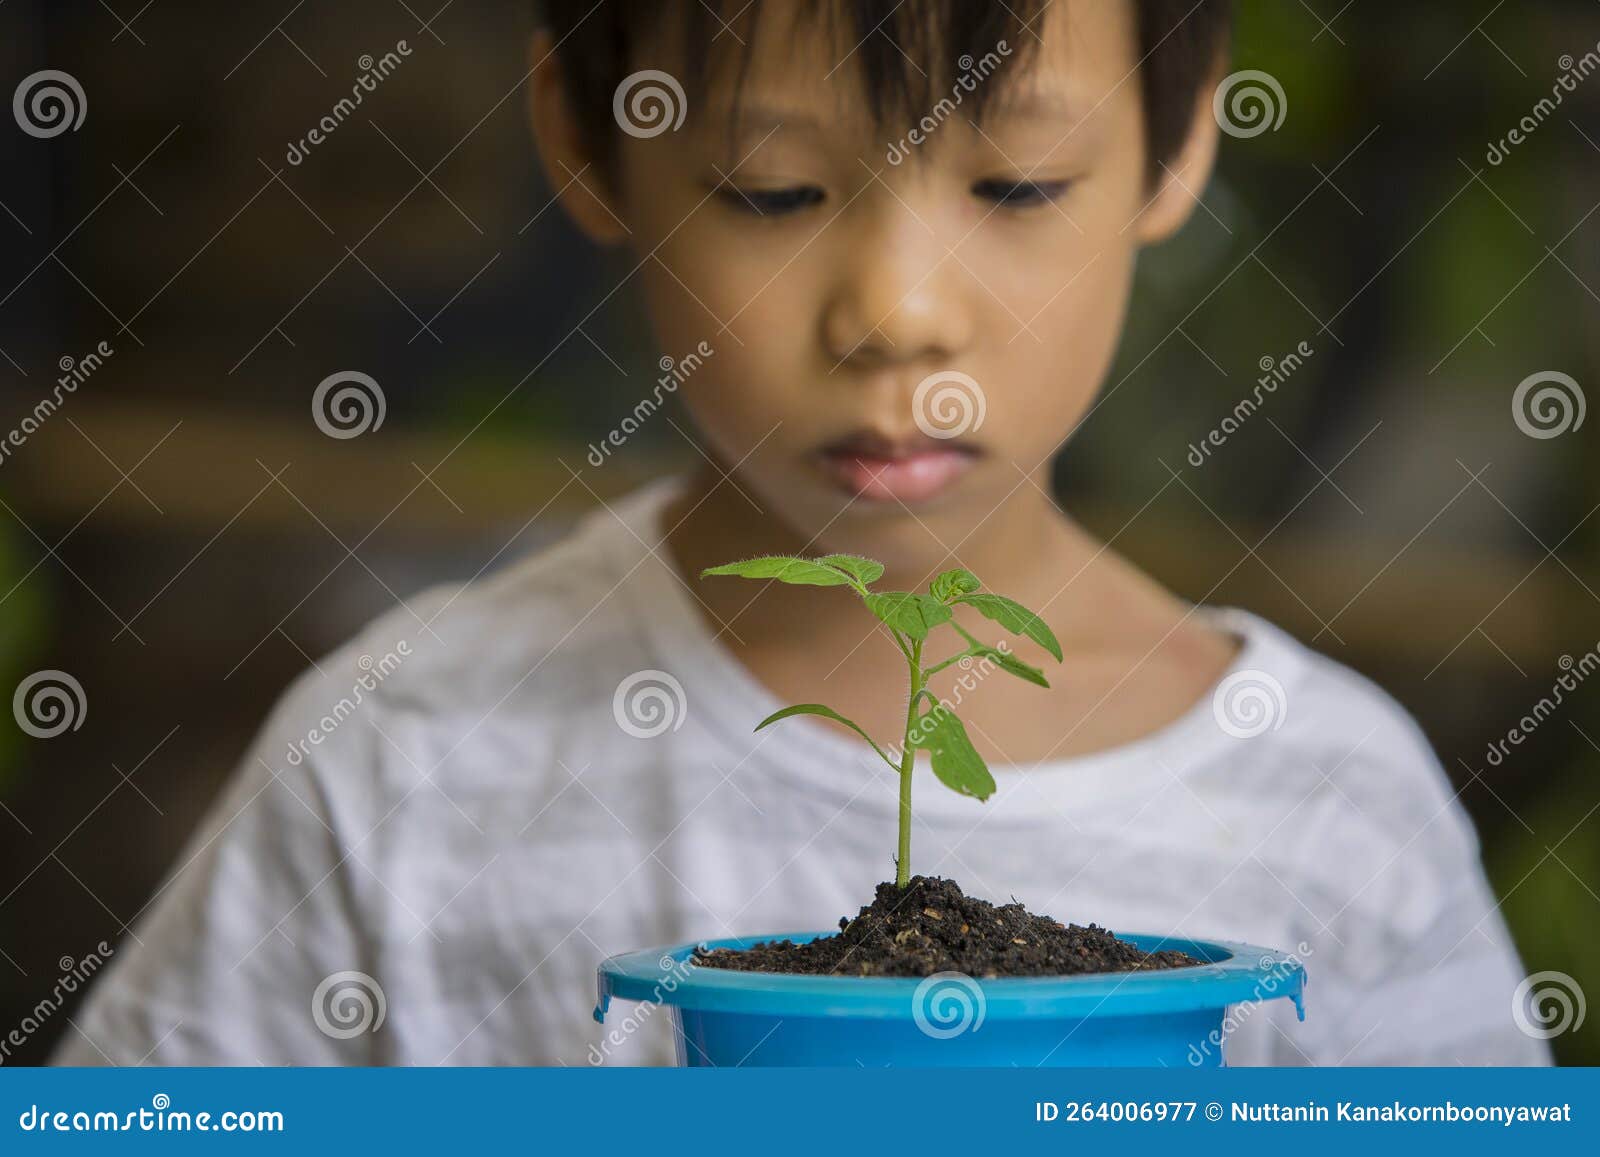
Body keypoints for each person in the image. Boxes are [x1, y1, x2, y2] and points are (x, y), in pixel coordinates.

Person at [55, 0, 1547, 1066]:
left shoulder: (1335, 810)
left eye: (1019, 182)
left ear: (1173, 149)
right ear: (584, 131)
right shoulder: (401, 764)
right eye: (771, 188)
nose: (896, 309)